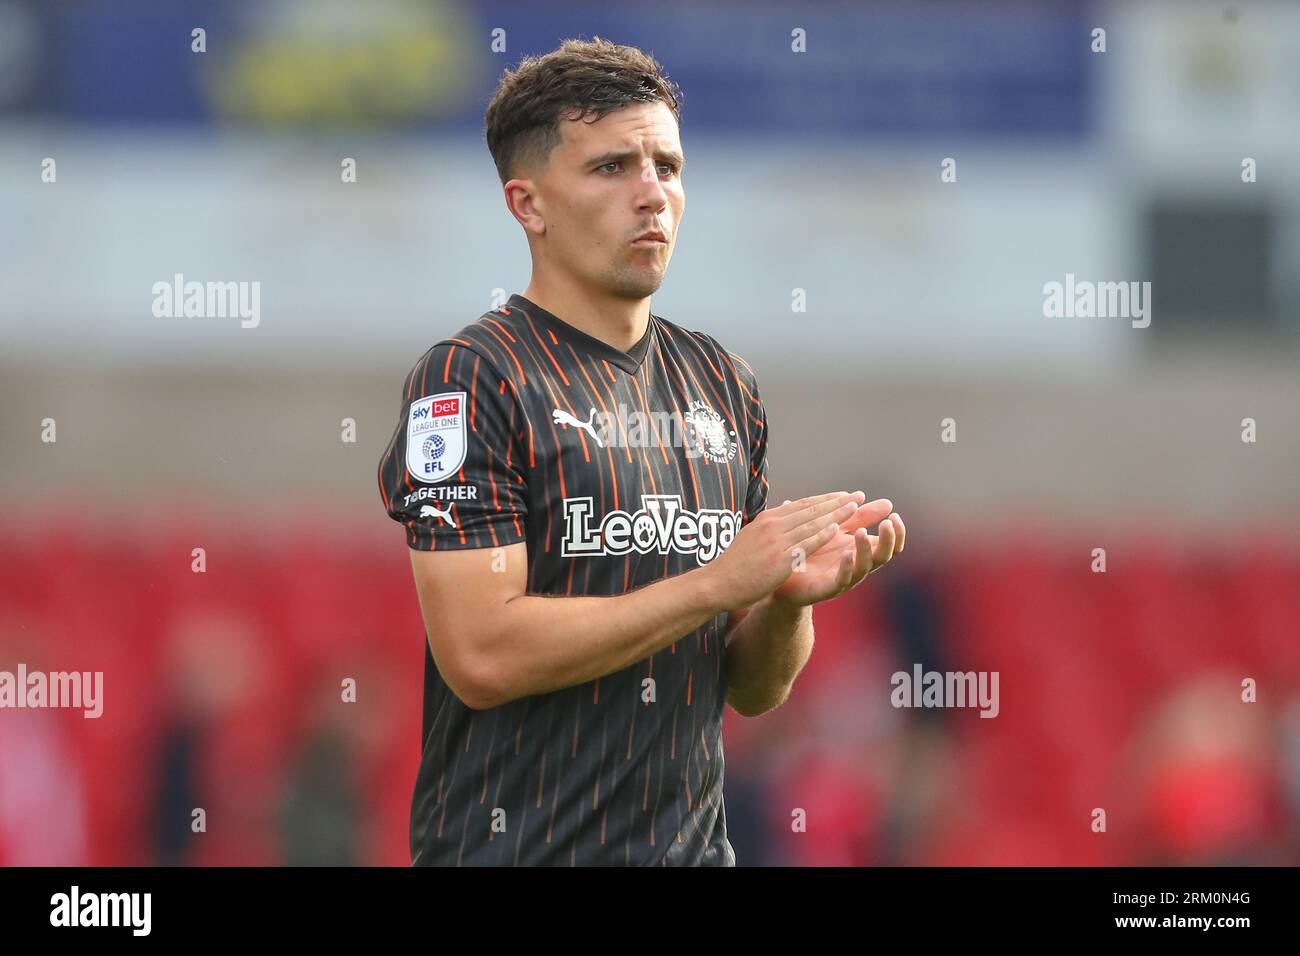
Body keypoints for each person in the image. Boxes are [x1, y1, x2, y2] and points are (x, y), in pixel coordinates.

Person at [377, 37, 905, 866]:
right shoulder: (470, 379)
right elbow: (480, 655)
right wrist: (716, 582)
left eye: (667, 164)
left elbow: (755, 691)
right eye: (612, 167)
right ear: (528, 204)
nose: (652, 193)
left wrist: (784, 604)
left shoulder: (721, 382)